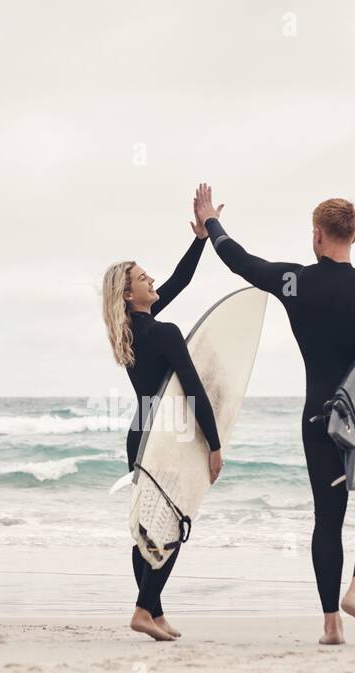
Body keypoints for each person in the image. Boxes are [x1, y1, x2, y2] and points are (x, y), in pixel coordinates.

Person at [194, 184, 355, 644]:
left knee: (328, 518)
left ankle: (330, 626)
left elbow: (241, 260)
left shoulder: (295, 282)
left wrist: (211, 224)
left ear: (317, 236)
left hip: (318, 418)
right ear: (354, 236)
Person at [101, 198, 223, 642]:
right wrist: (215, 443)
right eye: (141, 278)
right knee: (171, 525)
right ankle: (142, 608)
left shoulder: (135, 332)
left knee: (148, 529)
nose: (151, 280)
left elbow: (179, 281)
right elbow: (193, 390)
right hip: (167, 436)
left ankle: (153, 610)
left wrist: (199, 241)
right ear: (129, 294)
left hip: (141, 434)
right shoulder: (163, 333)